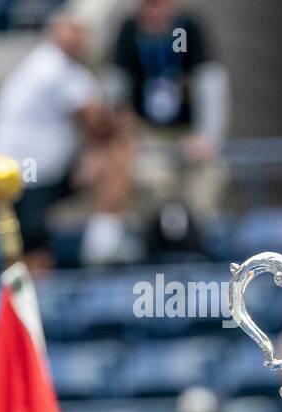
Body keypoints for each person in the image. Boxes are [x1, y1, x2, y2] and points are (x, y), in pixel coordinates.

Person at [0, 9, 130, 269]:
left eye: (81, 31)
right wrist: (123, 118)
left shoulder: (42, 65)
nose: (78, 38)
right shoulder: (55, 69)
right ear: (54, 32)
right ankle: (102, 243)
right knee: (31, 259)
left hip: (30, 178)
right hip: (23, 182)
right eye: (70, 30)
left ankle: (102, 239)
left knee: (30, 255)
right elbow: (99, 126)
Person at [105, 0, 231, 238]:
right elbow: (116, 86)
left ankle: (200, 241)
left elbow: (211, 83)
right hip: (148, 133)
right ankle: (149, 242)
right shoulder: (129, 30)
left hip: (188, 130)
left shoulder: (188, 28)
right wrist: (125, 132)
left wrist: (206, 137)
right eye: (148, 6)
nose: (154, 12)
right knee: (146, 181)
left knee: (208, 179)